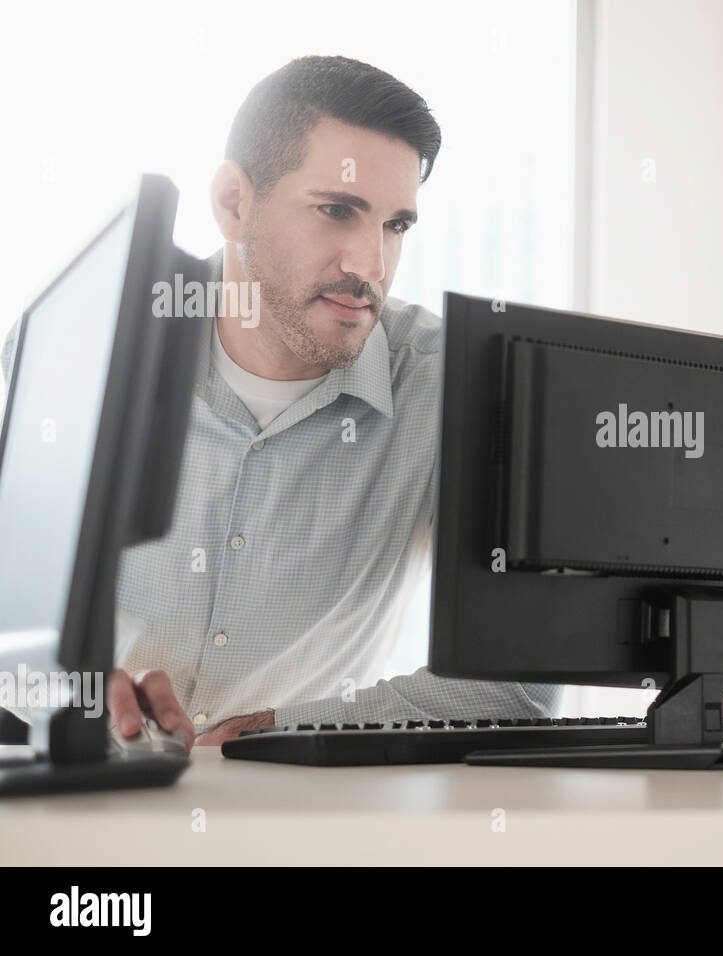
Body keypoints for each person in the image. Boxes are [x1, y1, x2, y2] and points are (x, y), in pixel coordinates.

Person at [1, 55, 561, 750]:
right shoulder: (75, 339)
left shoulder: (453, 388)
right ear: (236, 202)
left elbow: (516, 684)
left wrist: (281, 732)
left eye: (396, 226)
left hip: (297, 812)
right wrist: (51, 681)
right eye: (336, 210)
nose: (370, 265)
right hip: (66, 789)